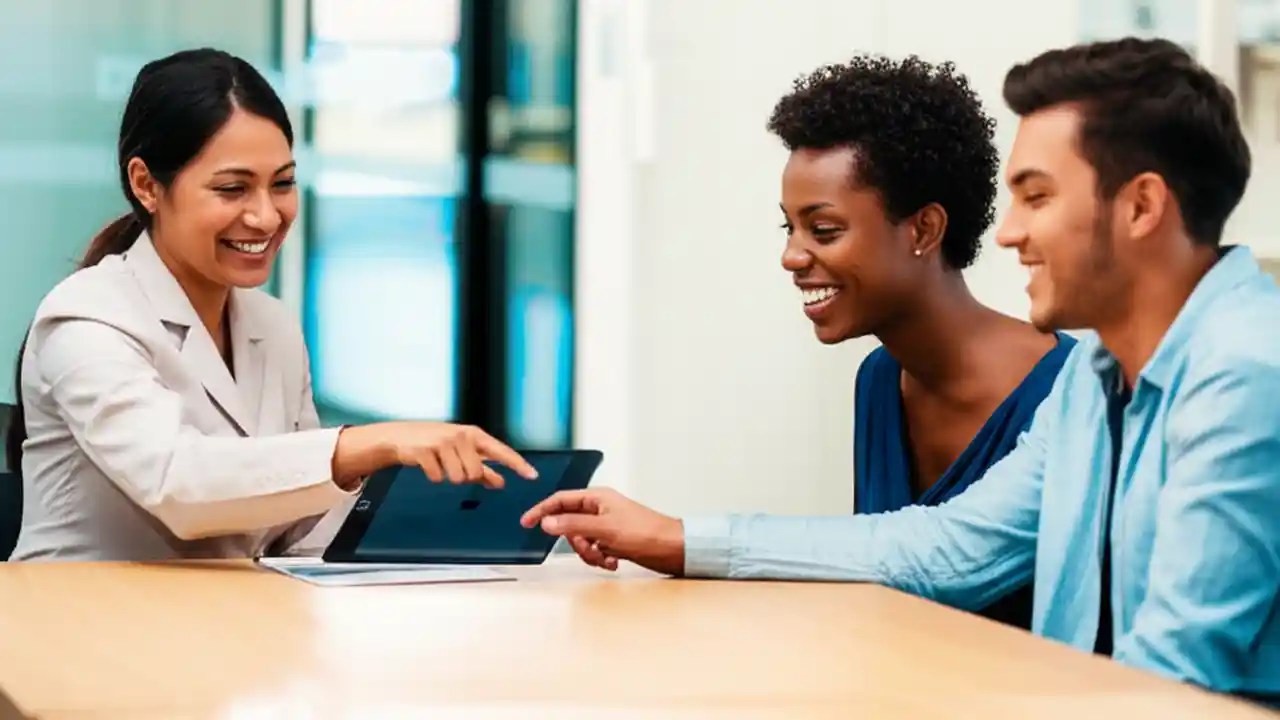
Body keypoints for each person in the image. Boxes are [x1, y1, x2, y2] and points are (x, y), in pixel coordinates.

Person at [522, 38, 1280, 700]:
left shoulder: (1247, 371)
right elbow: (947, 549)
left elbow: (1178, 679)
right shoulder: (1099, 377)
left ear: (1142, 207)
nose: (1010, 233)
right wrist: (680, 538)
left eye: (1037, 198)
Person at [4, 48, 536, 562]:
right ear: (146, 185)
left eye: (282, 184)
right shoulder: (86, 319)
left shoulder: (271, 325)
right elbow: (177, 484)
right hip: (80, 625)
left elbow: (302, 530)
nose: (265, 216)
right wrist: (369, 444)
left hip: (229, 625)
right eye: (233, 189)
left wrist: (473, 524)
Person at [769, 56, 1074, 627]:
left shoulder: (1069, 392)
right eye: (789, 227)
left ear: (925, 230)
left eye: (824, 229)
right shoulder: (880, 378)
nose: (792, 255)